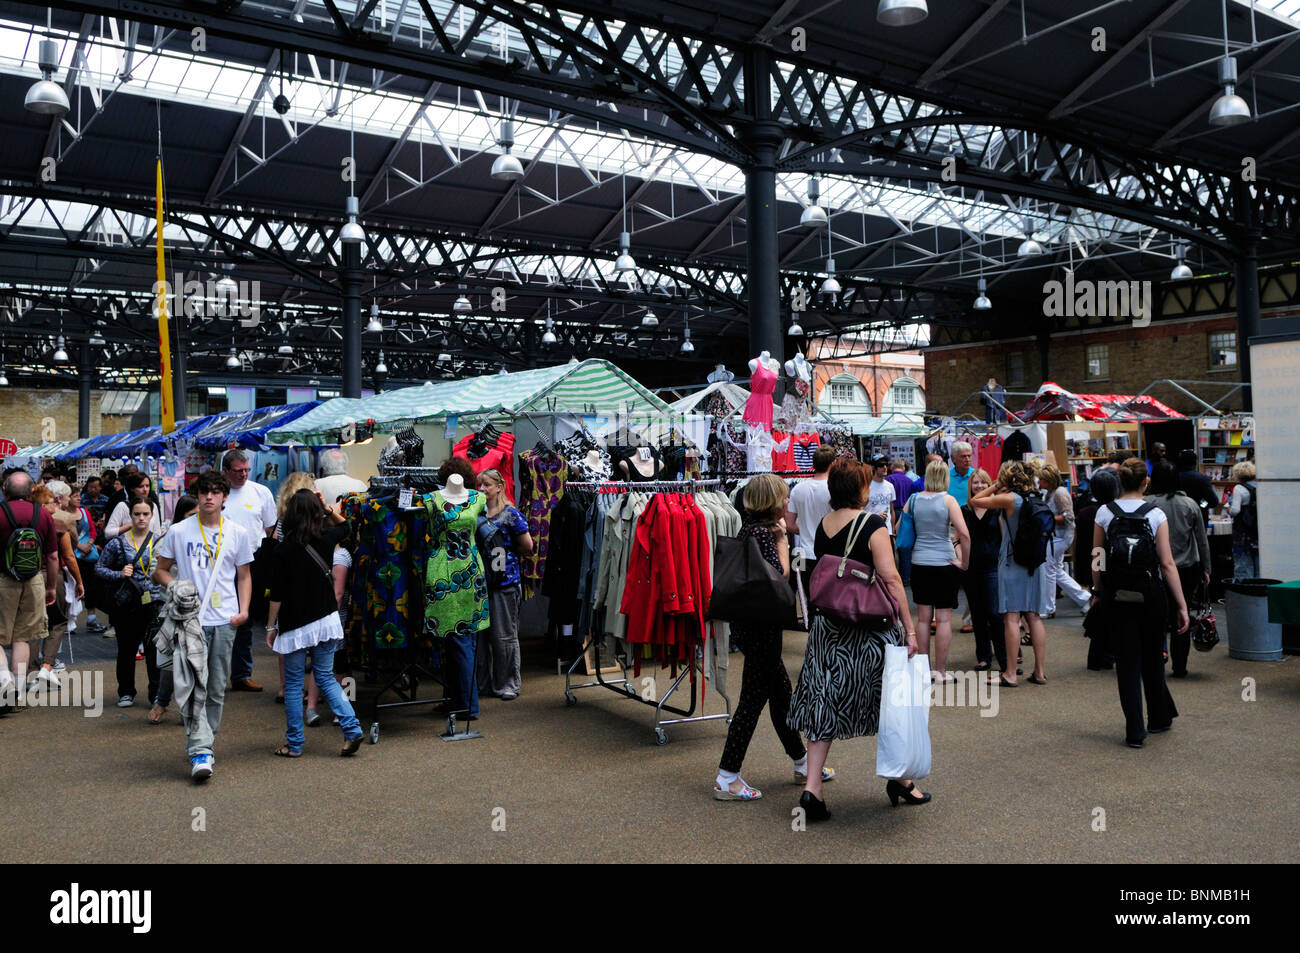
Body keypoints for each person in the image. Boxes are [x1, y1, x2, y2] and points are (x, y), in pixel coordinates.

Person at [787, 457, 927, 820]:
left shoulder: (824, 524)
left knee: (826, 702)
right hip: (869, 631)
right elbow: (892, 580)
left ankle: (812, 791)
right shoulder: (873, 524)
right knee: (891, 702)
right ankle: (901, 779)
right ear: (861, 489)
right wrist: (910, 630)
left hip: (828, 629)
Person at [714, 474, 818, 802]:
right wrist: (784, 543)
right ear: (773, 501)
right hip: (761, 627)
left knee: (780, 694)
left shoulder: (749, 528)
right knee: (753, 701)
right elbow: (780, 576)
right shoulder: (765, 532)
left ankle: (802, 762)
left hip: (752, 625)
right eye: (784, 498)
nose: (788, 502)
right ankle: (727, 776)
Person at [153, 470, 255, 781]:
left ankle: (205, 745)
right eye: (204, 492)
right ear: (197, 496)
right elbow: (160, 570)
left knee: (215, 688)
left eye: (215, 492)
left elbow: (244, 576)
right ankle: (200, 749)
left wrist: (244, 611)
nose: (209, 497)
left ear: (225, 497)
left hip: (224, 620)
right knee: (191, 685)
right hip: (191, 621)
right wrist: (175, 588)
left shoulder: (237, 532)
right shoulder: (179, 531)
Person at [1092, 458, 1188, 748]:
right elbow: (1167, 563)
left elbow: (1097, 556)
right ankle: (1158, 717)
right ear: (1146, 482)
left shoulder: (1104, 512)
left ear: (1120, 481)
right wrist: (1181, 605)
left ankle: (1134, 729)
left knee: (1126, 661)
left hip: (1117, 594)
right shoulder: (1156, 514)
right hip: (1151, 594)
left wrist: (1098, 591)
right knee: (1152, 656)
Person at [264, 489, 363, 757]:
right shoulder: (326, 538)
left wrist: (271, 627)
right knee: (326, 677)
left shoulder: (282, 550)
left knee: (295, 685)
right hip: (327, 619)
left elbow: (277, 593)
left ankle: (295, 743)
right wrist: (327, 508)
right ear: (315, 512)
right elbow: (348, 526)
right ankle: (352, 728)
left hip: (296, 624)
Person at [969, 461, 1050, 687]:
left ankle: (1011, 673)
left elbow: (975, 501)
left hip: (1013, 562)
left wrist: (996, 485)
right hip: (1035, 563)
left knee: (1011, 617)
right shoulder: (1035, 497)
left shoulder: (1010, 499)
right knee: (1033, 616)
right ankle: (1040, 672)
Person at [95, 498, 164, 709]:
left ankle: (156, 695)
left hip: (153, 601)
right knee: (126, 649)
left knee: (154, 651)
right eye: (137, 514)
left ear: (151, 515)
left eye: (145, 514)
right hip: (126, 603)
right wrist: (119, 574)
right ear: (130, 516)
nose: (141, 518)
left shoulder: (159, 541)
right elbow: (99, 568)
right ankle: (126, 691)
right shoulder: (117, 543)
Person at [905, 459, 970, 682]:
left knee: (923, 619)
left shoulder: (913, 500)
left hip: (920, 562)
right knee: (943, 620)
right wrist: (964, 563)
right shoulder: (949, 501)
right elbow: (965, 534)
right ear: (945, 478)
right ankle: (941, 671)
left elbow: (899, 528)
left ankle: (924, 670)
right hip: (944, 563)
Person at [1146, 461, 1210, 678]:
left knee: (1155, 615)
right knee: (1181, 616)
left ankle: (1157, 657)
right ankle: (1180, 665)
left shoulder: (1146, 504)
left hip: (1153, 569)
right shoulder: (1189, 504)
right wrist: (1206, 567)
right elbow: (1202, 541)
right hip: (1186, 568)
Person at [0, 472, 60, 704]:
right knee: (23, 637)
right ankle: (17, 691)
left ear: (5, 491)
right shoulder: (43, 514)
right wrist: (51, 587)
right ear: (30, 492)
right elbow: (53, 556)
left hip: (3, 580)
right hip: (34, 581)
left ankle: (3, 679)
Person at [473, 468, 532, 702]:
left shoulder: (511, 514)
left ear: (499, 486)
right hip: (480, 583)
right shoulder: (476, 513)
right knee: (481, 637)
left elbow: (527, 545)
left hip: (505, 583)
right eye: (479, 485)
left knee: (504, 636)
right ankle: (482, 684)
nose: (482, 489)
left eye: (486, 485)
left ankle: (508, 683)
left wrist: (506, 556)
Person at [220, 450, 276, 692]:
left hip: (253, 562)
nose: (243, 474)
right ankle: (217, 674)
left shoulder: (260, 492)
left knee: (246, 617)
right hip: (222, 563)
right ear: (225, 471)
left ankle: (242, 673)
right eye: (237, 471)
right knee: (220, 617)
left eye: (246, 470)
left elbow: (271, 527)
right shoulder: (218, 494)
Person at [271, 471, 322, 714]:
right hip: (311, 586)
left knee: (286, 638)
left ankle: (285, 686)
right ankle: (315, 695)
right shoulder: (314, 520)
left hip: (288, 585)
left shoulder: (283, 519)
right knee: (315, 645)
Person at [28, 485, 86, 690]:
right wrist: (79, 581)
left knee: (33, 626)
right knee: (57, 621)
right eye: (52, 501)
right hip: (54, 577)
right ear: (44, 505)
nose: (56, 503)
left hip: (29, 578)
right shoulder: (59, 525)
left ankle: (32, 671)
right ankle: (47, 666)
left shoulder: (27, 524)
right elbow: (68, 557)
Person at [961, 469, 1005, 672]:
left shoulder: (998, 509)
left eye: (983, 483)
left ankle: (1005, 658)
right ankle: (984, 656)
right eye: (975, 483)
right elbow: (958, 537)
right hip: (971, 568)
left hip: (993, 567)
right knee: (977, 615)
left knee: (995, 614)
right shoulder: (965, 510)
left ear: (990, 485)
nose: (979, 486)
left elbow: (1005, 539)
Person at [1039, 465, 1092, 618]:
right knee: (1056, 570)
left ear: (1048, 480)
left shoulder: (1059, 493)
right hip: (1056, 536)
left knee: (1050, 570)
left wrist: (1046, 519)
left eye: (1042, 479)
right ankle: (1085, 598)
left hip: (1060, 536)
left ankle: (1049, 608)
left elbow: (1068, 517)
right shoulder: (1051, 492)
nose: (1039, 482)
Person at [785, 445, 836, 581]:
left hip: (803, 553)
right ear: (832, 464)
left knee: (803, 593)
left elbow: (789, 524)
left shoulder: (797, 489)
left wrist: (806, 530)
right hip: (829, 555)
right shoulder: (835, 489)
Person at [104, 472, 163, 539]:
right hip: (128, 546)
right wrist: (130, 525)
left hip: (148, 547)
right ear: (132, 488)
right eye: (141, 486)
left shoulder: (153, 506)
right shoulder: (123, 506)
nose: (145, 489)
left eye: (147, 486)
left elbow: (157, 532)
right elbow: (108, 533)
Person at [1229, 461, 1259, 579]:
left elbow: (1235, 511)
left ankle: (1245, 590)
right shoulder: (1259, 486)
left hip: (1242, 532)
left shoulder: (1239, 488)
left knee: (1243, 564)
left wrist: (1229, 511)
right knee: (1258, 562)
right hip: (1257, 530)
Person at [1176, 448, 1218, 525]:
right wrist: (1201, 504)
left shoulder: (1174, 478)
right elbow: (1213, 501)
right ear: (1195, 462)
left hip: (1179, 517)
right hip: (1199, 517)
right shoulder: (1202, 479)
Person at [864, 454, 895, 535]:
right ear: (873, 467)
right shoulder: (866, 486)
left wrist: (893, 529)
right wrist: (875, 517)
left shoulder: (890, 486)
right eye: (881, 465)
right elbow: (860, 510)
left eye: (886, 464)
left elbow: (891, 510)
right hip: (870, 531)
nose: (885, 467)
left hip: (887, 531)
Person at [947, 441, 974, 506]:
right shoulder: (945, 476)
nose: (967, 459)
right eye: (963, 456)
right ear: (953, 458)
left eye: (969, 456)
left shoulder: (976, 475)